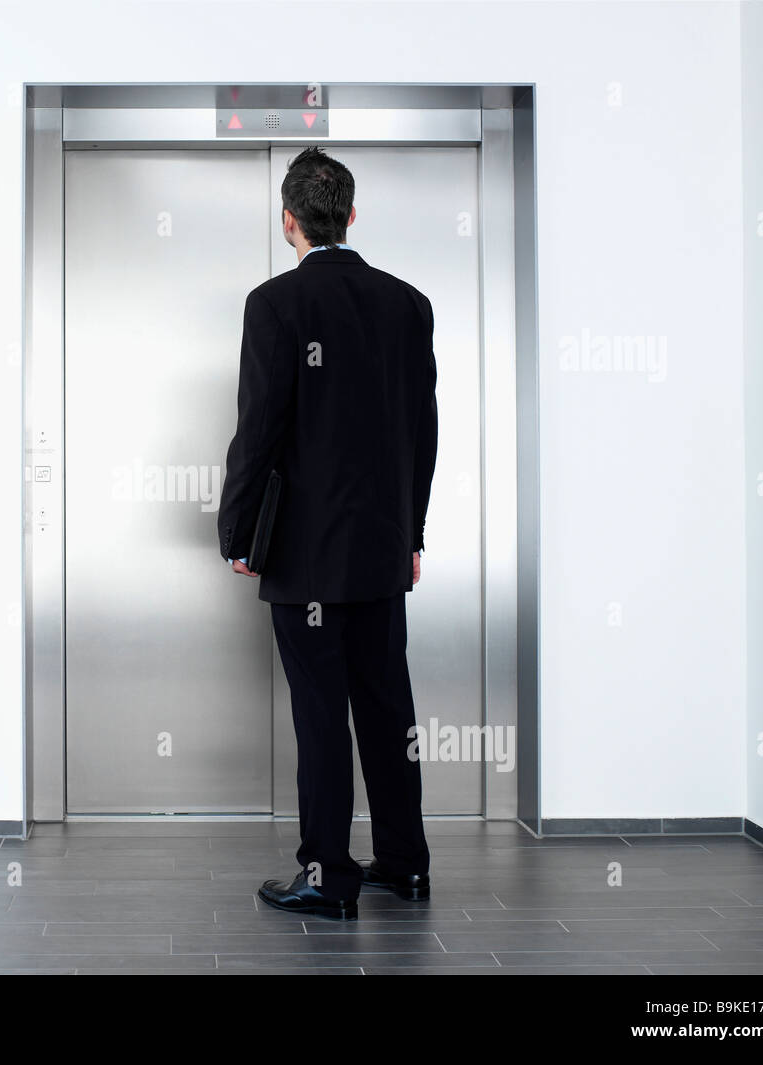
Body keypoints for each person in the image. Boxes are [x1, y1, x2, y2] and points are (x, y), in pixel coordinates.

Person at [216, 146, 438, 921]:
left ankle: (328, 873)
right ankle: (406, 863)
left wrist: (237, 532)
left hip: (306, 557)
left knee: (321, 714)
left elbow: (259, 432)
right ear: (351, 214)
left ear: (289, 221)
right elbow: (423, 432)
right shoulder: (408, 304)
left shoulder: (274, 305)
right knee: (387, 708)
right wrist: (412, 531)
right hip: (382, 551)